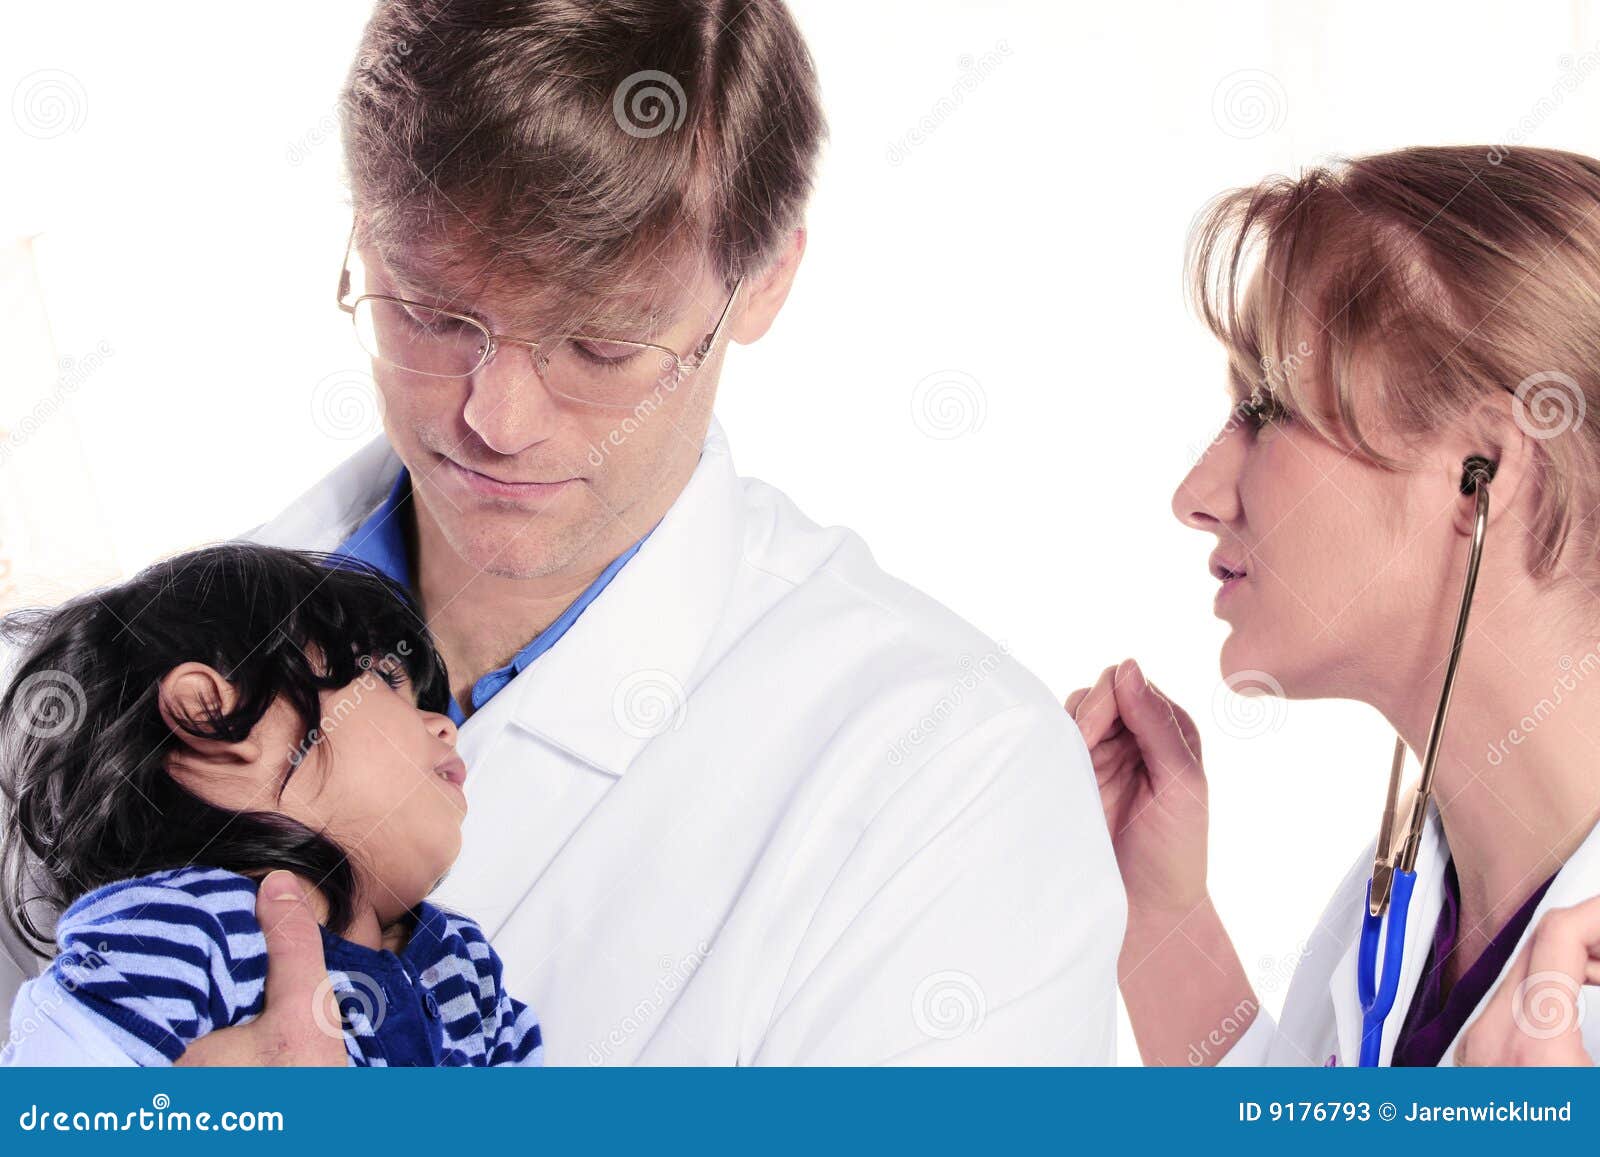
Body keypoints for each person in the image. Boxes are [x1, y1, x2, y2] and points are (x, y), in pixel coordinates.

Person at [0, 0, 1124, 1065]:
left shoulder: (952, 783)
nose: (495, 419)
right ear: (360, 230)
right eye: (436, 314)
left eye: (599, 345)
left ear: (764, 279)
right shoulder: (80, 694)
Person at [1071, 144, 1600, 1067]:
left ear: (1483, 479)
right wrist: (1161, 921)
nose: (1197, 492)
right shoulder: (1407, 901)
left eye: (1269, 409)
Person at [0, 544, 543, 1066]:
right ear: (209, 712)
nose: (444, 725)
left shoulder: (461, 969)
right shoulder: (183, 935)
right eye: (381, 677)